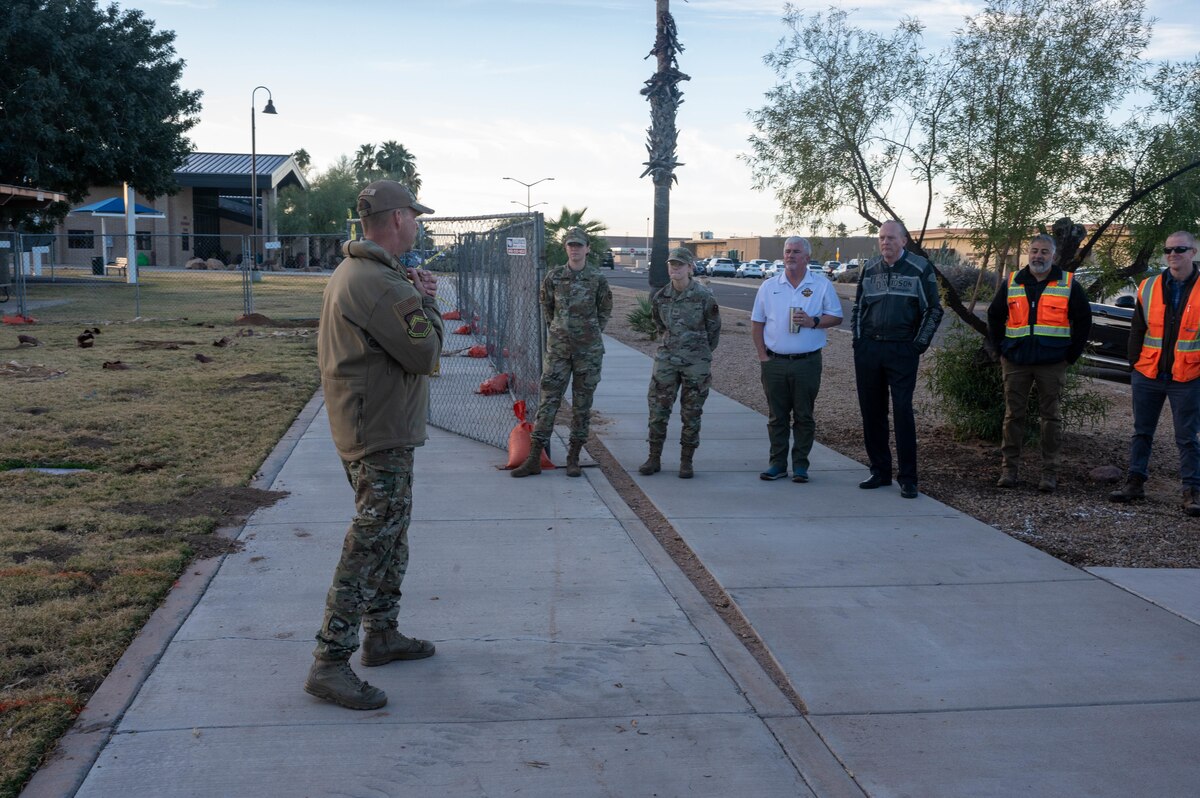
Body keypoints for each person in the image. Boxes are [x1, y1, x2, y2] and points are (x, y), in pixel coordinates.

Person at [305, 180, 443, 710]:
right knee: (370, 541)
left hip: (371, 425)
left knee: (389, 535)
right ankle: (329, 662)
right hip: (378, 433)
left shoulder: (362, 272)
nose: (420, 222)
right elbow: (425, 353)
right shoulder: (384, 284)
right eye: (415, 214)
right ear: (395, 219)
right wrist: (426, 303)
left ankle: (381, 634)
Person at [986, 234, 1092, 492]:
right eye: (1034, 250)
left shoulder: (1067, 283)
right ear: (1028, 252)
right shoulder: (1012, 281)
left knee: (1051, 418)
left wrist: (1071, 356)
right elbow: (994, 316)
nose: (1038, 256)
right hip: (1016, 360)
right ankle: (1009, 471)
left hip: (1052, 362)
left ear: (1053, 256)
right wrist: (999, 350)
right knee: (1013, 416)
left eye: (1044, 252)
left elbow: (1084, 321)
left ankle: (1049, 473)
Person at [1110, 230, 1200, 516]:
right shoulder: (1149, 286)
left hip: (1188, 376)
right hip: (1148, 373)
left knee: (1187, 436)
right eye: (1169, 249)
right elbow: (1138, 328)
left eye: (1180, 249)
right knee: (1141, 432)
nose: (1173, 254)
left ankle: (1192, 491)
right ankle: (1134, 483)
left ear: (1193, 253)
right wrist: (1134, 363)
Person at [852, 220, 944, 499]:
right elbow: (859, 306)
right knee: (872, 412)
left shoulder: (919, 268)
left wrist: (917, 345)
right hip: (870, 349)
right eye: (881, 238)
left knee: (902, 411)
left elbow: (934, 310)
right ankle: (880, 471)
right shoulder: (870, 268)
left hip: (902, 349)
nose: (885, 242)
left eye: (891, 238)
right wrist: (858, 341)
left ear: (904, 240)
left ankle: (908, 478)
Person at [512, 226, 613, 478]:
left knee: (582, 405)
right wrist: (559, 331)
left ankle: (574, 458)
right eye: (571, 245)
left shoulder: (597, 279)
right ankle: (535, 457)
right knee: (548, 403)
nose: (575, 249)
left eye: (579, 245)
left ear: (587, 249)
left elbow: (604, 311)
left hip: (587, 354)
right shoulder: (554, 277)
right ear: (566, 248)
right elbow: (547, 307)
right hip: (558, 351)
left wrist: (588, 334)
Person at [751, 236, 843, 482]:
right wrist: (762, 355)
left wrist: (813, 321)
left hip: (807, 362)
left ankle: (800, 465)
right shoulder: (769, 286)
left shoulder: (821, 285)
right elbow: (757, 323)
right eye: (787, 251)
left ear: (807, 258)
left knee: (804, 415)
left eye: (795, 252)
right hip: (775, 362)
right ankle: (777, 464)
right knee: (776, 416)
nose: (790, 255)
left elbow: (836, 317)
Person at [638, 247, 722, 478]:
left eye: (680, 264)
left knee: (691, 412)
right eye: (671, 264)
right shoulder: (661, 296)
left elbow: (713, 330)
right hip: (667, 360)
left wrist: (699, 352)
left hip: (696, 363)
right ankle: (654, 458)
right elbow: (659, 325)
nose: (675, 268)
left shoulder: (704, 297)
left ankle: (687, 461)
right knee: (658, 410)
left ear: (690, 268)